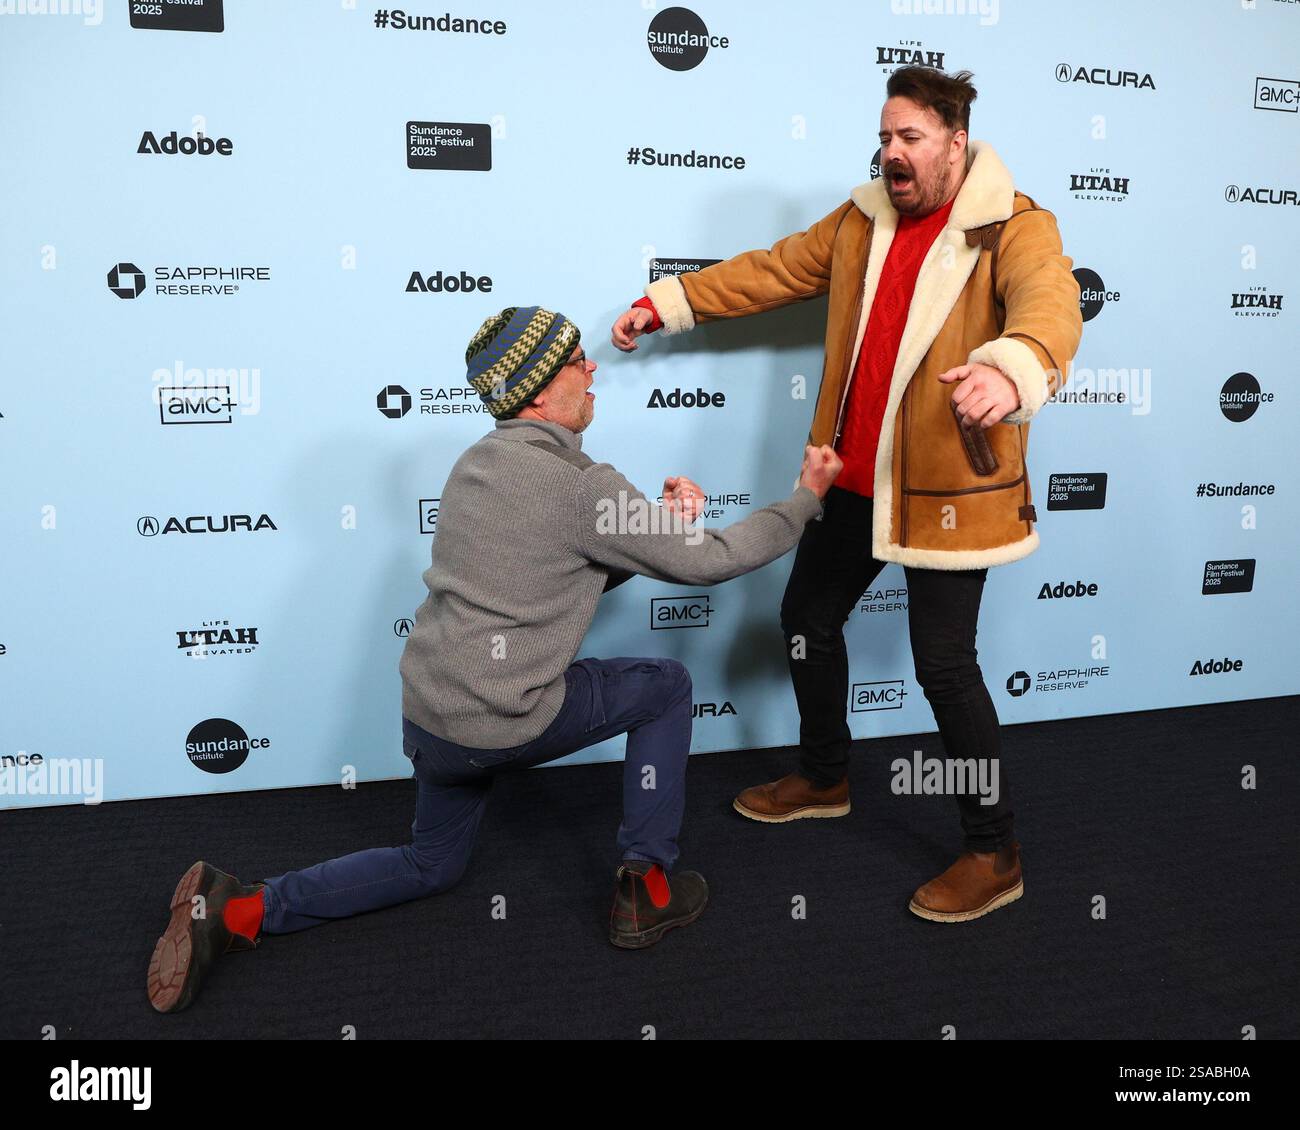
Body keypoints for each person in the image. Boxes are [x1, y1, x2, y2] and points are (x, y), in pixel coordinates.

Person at [148, 305, 842, 1013]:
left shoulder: (476, 464)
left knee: (432, 865)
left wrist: (658, 533)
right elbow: (715, 563)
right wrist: (806, 499)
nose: (592, 365)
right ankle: (648, 888)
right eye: (576, 358)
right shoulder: (583, 484)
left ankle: (237, 913)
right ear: (541, 390)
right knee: (665, 686)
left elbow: (560, 572)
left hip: (431, 721)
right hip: (503, 721)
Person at [611, 66, 1083, 923]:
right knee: (807, 621)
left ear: (955, 141)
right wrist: (666, 302)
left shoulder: (1013, 225)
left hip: (948, 492)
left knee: (946, 667)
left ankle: (995, 849)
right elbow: (772, 270)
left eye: (910, 139)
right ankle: (826, 775)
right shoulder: (863, 218)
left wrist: (1012, 371)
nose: (892, 154)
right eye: (886, 137)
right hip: (855, 478)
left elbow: (1052, 304)